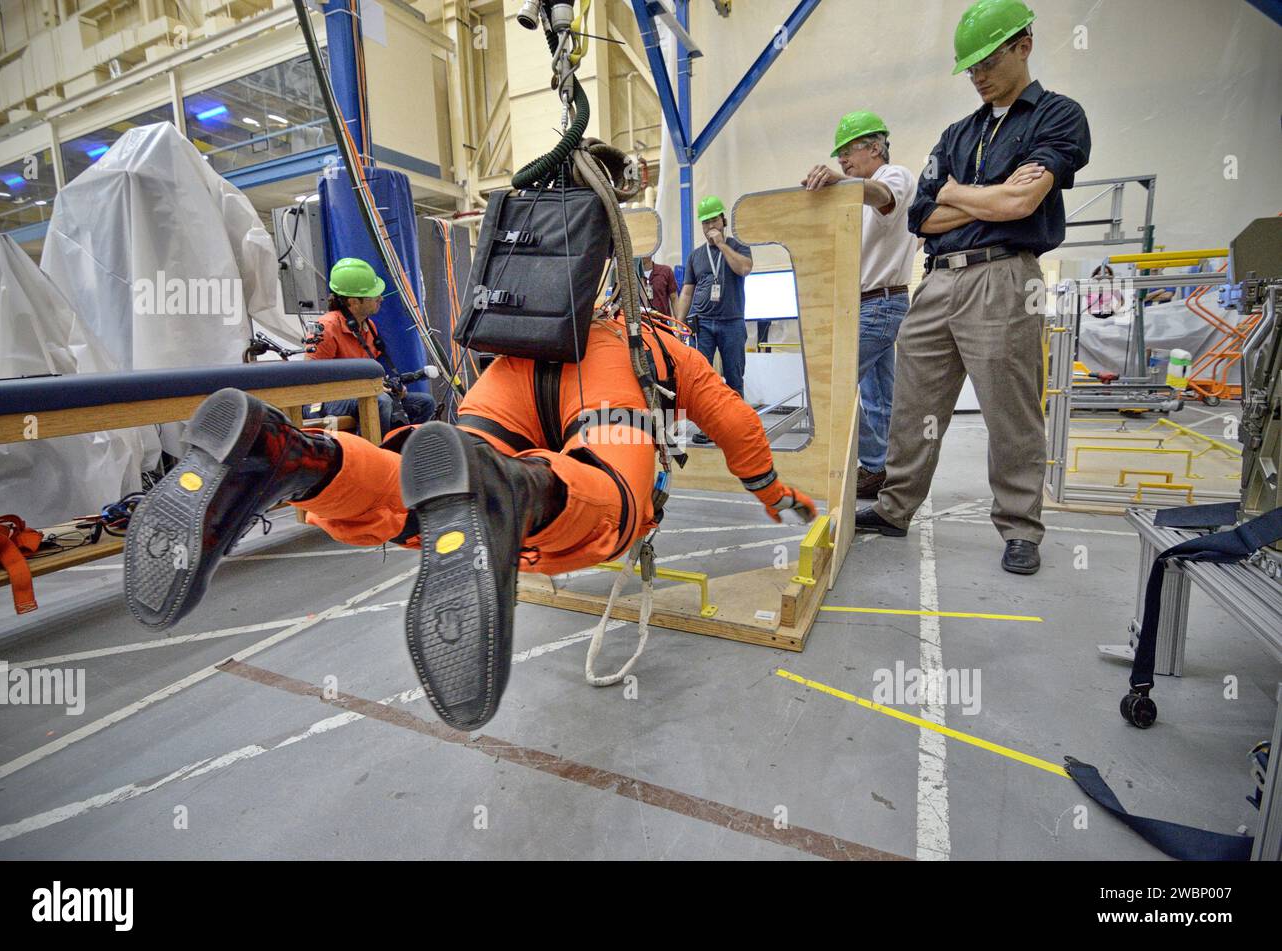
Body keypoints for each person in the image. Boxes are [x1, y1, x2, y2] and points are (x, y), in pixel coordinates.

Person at [122, 310, 816, 732]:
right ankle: (513, 490)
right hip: (601, 376)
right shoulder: (653, 341)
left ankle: (294, 459)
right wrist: (769, 488)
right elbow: (729, 416)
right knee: (613, 507)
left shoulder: (524, 330)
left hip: (506, 376)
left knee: (428, 502)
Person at [854, 0, 1090, 576]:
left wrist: (957, 191)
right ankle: (894, 507)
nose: (979, 74)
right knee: (914, 406)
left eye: (989, 59)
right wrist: (979, 193)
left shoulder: (1058, 116)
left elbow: (1021, 202)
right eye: (971, 67)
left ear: (1024, 45)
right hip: (936, 280)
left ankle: (1019, 527)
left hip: (1004, 276)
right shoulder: (958, 132)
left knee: (1009, 411)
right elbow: (921, 218)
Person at [802, 110, 919, 499]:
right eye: (839, 157)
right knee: (879, 397)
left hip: (879, 305)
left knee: (835, 384)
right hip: (868, 304)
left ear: (875, 147)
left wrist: (845, 181)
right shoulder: (857, 194)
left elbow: (884, 198)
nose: (843, 161)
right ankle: (884, 468)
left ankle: (872, 463)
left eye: (848, 152)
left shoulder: (892, 176)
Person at [309, 258, 435, 434]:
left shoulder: (368, 327)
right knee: (380, 401)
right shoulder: (327, 328)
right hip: (327, 400)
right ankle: (374, 455)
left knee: (424, 403)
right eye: (373, 295)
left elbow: (370, 373)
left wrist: (390, 386)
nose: (380, 298)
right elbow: (314, 381)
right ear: (353, 302)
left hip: (365, 393)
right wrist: (369, 389)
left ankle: (402, 453)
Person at [677, 195, 754, 444]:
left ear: (723, 219)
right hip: (702, 324)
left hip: (732, 321)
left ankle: (737, 427)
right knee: (703, 379)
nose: (709, 226)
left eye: (713, 220)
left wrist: (721, 244)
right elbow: (687, 291)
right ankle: (709, 428)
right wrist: (679, 325)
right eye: (704, 222)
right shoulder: (695, 256)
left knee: (733, 375)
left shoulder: (738, 246)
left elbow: (743, 268)